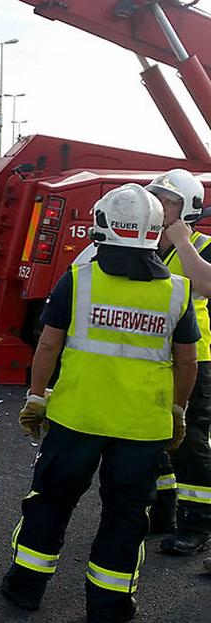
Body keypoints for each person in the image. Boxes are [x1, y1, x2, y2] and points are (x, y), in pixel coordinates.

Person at [3, 183, 196, 623]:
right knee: (125, 518)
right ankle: (109, 606)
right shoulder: (177, 292)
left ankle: (24, 589)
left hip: (76, 419)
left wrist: (36, 398)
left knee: (49, 502)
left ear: (102, 226)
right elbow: (187, 362)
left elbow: (48, 345)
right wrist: (178, 410)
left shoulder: (79, 279)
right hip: (142, 428)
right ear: (154, 231)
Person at [143, 169, 211, 555]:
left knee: (191, 444)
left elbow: (206, 285)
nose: (159, 206)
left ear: (186, 209)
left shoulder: (202, 244)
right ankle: (163, 512)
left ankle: (199, 524)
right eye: (155, 197)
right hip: (157, 358)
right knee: (156, 439)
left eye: (167, 201)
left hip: (196, 360)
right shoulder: (148, 244)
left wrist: (184, 243)